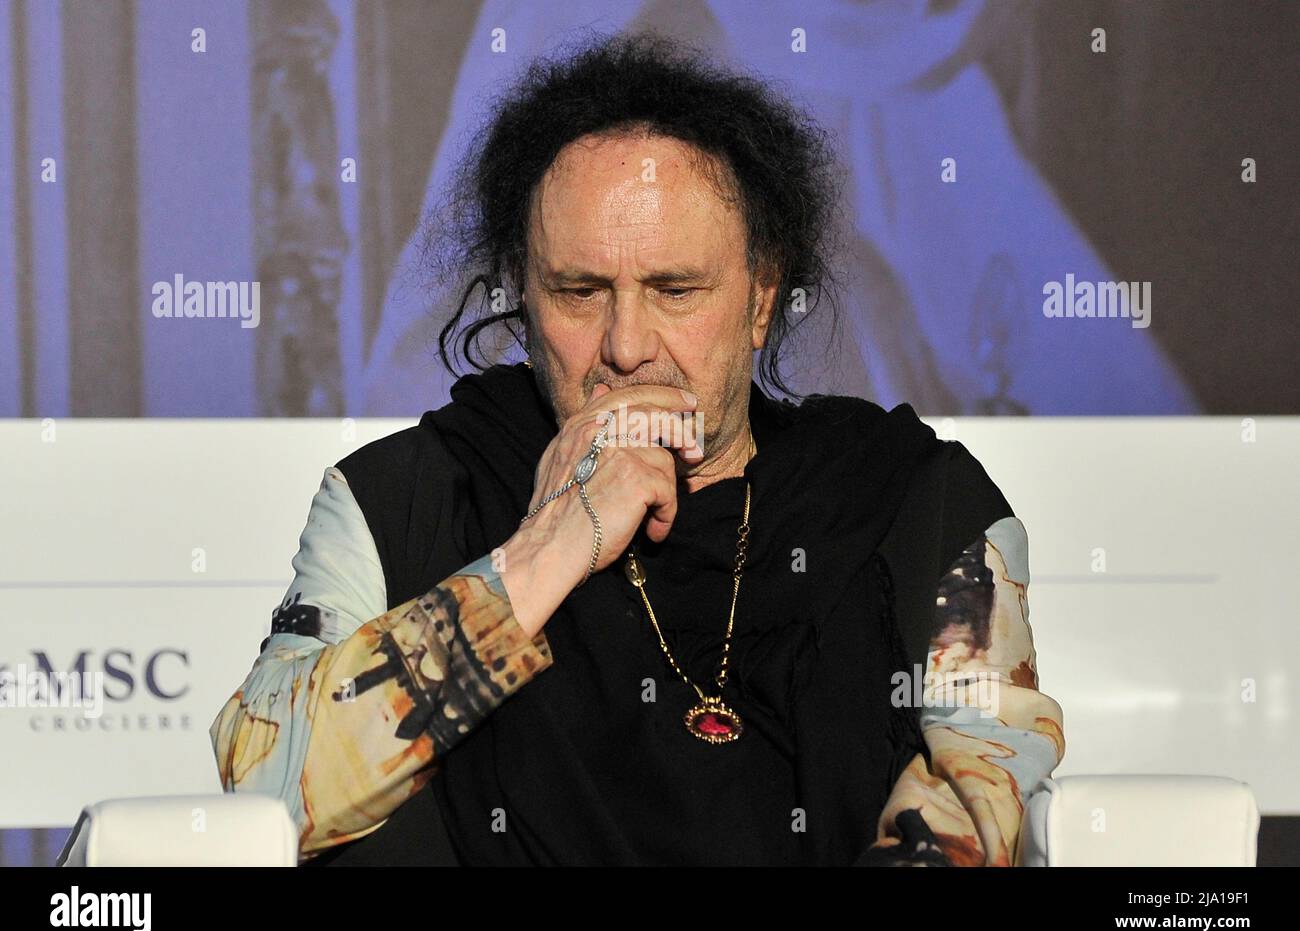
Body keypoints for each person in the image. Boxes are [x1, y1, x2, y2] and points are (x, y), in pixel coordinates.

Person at [209, 33, 1065, 866]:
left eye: (675, 290)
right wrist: (545, 546)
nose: (626, 347)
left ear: (763, 297)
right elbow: (267, 791)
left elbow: (980, 801)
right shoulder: (401, 498)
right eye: (578, 292)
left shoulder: (912, 500)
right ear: (523, 294)